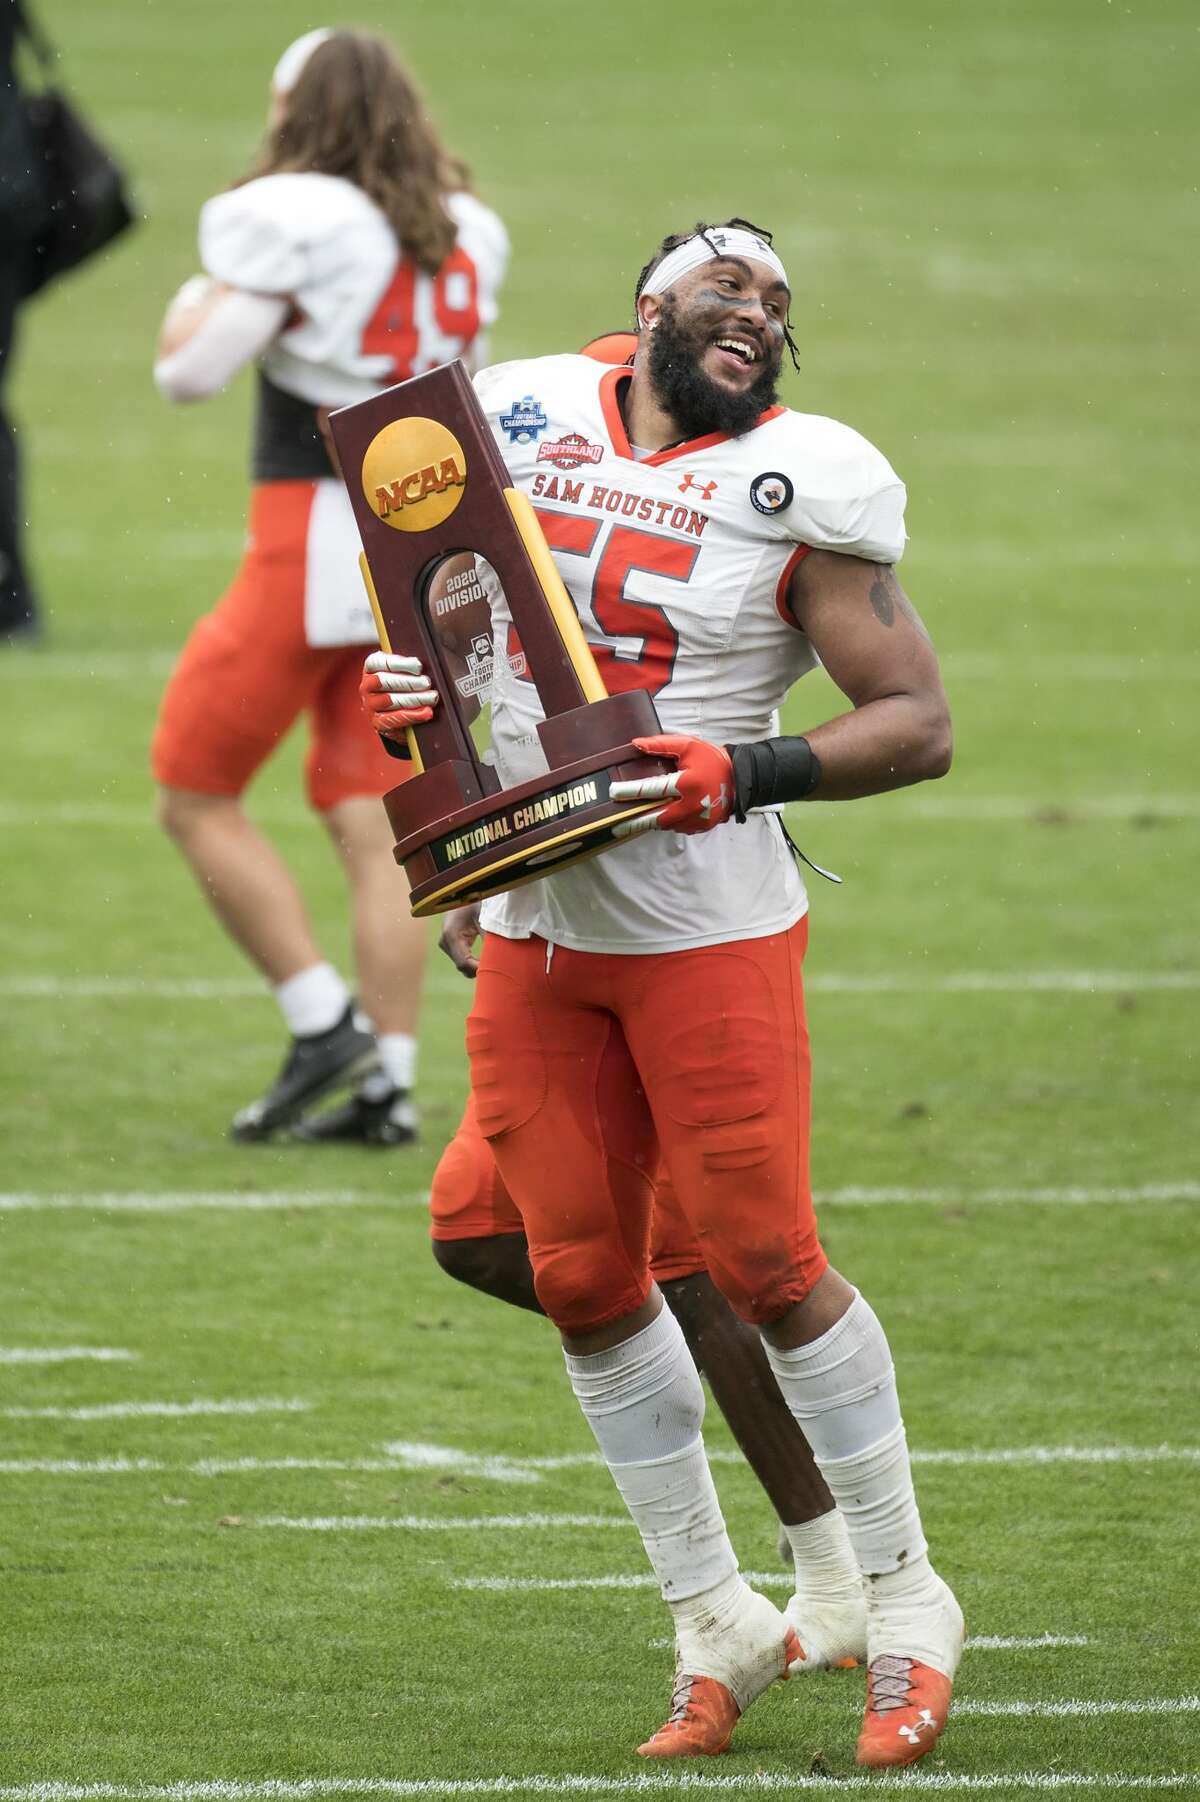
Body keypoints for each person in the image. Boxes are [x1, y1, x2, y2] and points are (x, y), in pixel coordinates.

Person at [359, 218, 960, 1768]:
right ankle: (716, 1618)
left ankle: (905, 1603)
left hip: (710, 926)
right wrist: (418, 698)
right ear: (650, 311)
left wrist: (740, 767)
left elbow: (914, 721)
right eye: (726, 284)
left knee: (764, 1257)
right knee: (573, 1269)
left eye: (775, 298)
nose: (754, 310)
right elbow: (462, 632)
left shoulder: (801, 477)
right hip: (549, 927)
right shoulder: (527, 416)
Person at [150, 27, 508, 1143]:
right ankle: (390, 1079)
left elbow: (191, 375)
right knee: (374, 810)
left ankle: (322, 1021)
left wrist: (193, 300)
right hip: (422, 542)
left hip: (306, 531)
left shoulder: (291, 216)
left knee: (194, 787)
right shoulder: (463, 228)